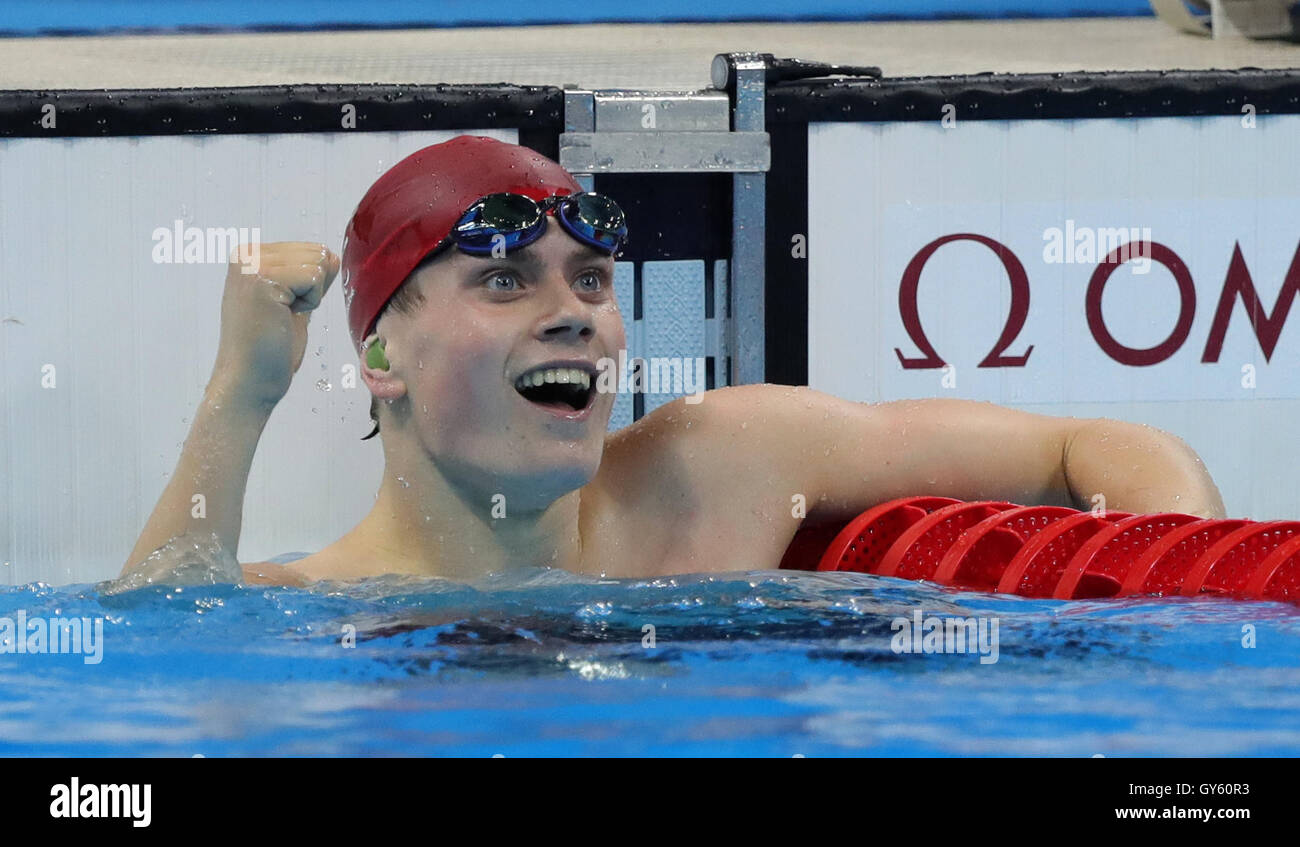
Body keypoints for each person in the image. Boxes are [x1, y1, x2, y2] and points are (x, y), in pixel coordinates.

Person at [118, 135, 1226, 590]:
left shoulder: (724, 462)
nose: (573, 317)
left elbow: (1103, 446)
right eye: (507, 282)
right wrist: (242, 392)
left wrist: (1181, 622)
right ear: (379, 355)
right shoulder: (313, 606)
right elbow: (158, 642)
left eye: (591, 281)